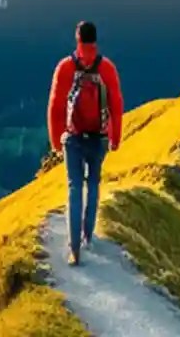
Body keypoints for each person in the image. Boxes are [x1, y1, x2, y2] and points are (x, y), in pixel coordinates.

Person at [48, 20, 124, 266]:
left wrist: (56, 141)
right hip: (99, 136)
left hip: (74, 136)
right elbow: (116, 104)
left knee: (73, 187)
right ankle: (88, 234)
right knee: (92, 183)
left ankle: (74, 248)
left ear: (77, 39)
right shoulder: (107, 69)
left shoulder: (66, 67)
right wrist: (115, 138)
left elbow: (56, 106)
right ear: (95, 40)